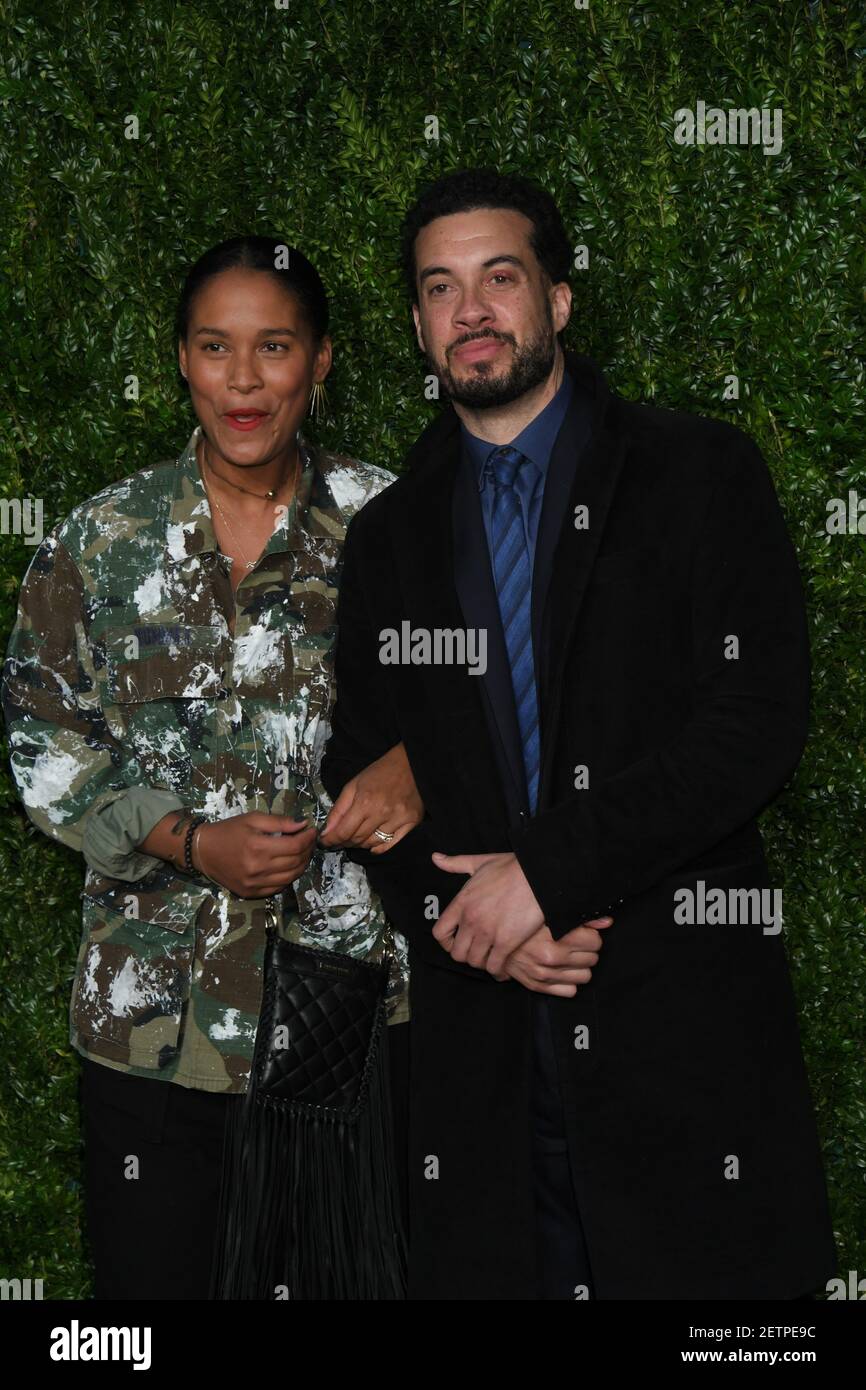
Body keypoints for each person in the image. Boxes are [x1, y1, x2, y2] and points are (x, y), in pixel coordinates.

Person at [319, 167, 839, 1300]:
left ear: (555, 299)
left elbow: (754, 721)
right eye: (439, 288)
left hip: (676, 1041)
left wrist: (546, 878)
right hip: (483, 1066)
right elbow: (356, 771)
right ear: (416, 323)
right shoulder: (390, 537)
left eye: (497, 278)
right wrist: (474, 925)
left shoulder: (700, 475)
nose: (470, 312)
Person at [2, 235, 421, 1300]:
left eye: (273, 347)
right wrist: (188, 840)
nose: (243, 380)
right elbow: (43, 741)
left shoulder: (398, 525)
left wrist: (420, 764)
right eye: (214, 347)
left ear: (319, 361)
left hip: (346, 1015)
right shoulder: (102, 540)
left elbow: (492, 705)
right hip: (154, 1028)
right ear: (182, 359)